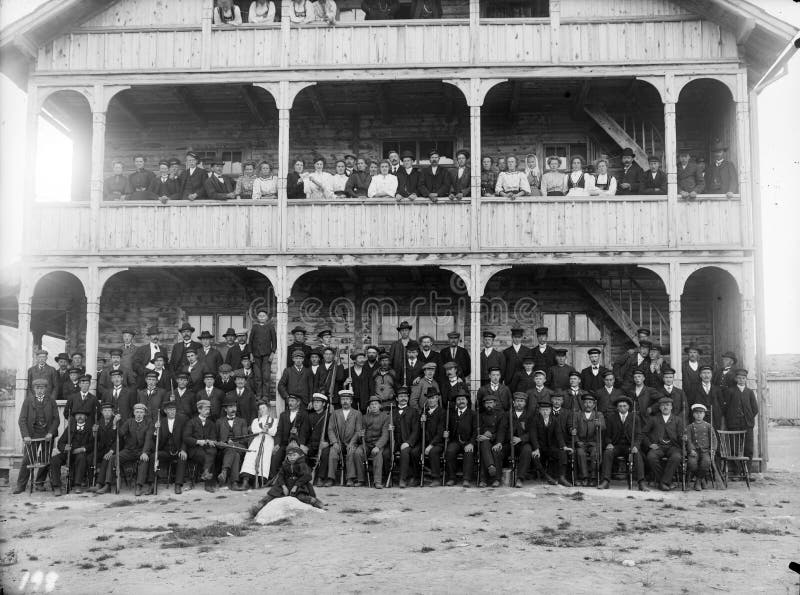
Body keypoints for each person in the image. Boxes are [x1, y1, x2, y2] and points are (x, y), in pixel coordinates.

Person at [13, 379, 60, 494]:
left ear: (46, 389)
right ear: (34, 389)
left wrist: (51, 432)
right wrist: (26, 436)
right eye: (37, 388)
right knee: (27, 460)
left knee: (45, 459)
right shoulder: (28, 401)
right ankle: (21, 485)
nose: (40, 390)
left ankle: (39, 483)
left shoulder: (51, 401)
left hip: (47, 435)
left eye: (42, 388)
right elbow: (22, 420)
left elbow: (56, 419)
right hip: (32, 435)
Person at [250, 445, 324, 517]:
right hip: (286, 484)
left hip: (299, 485)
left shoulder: (302, 465)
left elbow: (306, 476)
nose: (292, 457)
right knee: (272, 494)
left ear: (299, 455)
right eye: (290, 455)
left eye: (294, 455)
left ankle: (315, 502)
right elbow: (280, 476)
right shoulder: (285, 465)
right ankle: (258, 507)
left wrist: (296, 486)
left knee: (301, 496)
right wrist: (283, 486)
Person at [598, 395, 648, 491]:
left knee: (637, 454)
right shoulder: (612, 417)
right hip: (616, 445)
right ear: (617, 407)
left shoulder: (635, 418)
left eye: (624, 406)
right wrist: (609, 443)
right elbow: (607, 435)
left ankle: (641, 482)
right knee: (608, 453)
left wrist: (636, 446)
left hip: (630, 445)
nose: (622, 408)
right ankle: (605, 481)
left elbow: (639, 435)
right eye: (620, 406)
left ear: (628, 407)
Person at [641, 395, 685, 491]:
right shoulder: (654, 419)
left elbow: (681, 435)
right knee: (651, 457)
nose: (665, 407)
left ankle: (663, 482)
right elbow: (643, 434)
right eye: (663, 405)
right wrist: (650, 444)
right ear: (660, 407)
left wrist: (683, 438)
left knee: (677, 457)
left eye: (668, 405)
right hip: (658, 447)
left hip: (673, 446)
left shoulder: (677, 420)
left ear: (671, 407)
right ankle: (665, 482)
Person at [325, 390, 362, 486]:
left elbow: (358, 431)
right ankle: (331, 478)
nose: (345, 401)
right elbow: (330, 429)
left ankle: (350, 478)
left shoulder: (357, 413)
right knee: (333, 452)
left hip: (351, 442)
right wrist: (334, 442)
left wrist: (352, 443)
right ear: (340, 401)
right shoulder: (335, 413)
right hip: (338, 442)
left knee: (351, 452)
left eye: (347, 399)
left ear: (351, 401)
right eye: (343, 399)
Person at [117, 403, 154, 496]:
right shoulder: (129, 422)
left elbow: (148, 438)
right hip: (129, 450)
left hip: (142, 451)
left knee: (144, 460)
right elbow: (121, 434)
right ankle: (107, 483)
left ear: (144, 414)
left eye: (141, 412)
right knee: (115, 458)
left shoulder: (149, 423)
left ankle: (139, 486)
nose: (139, 414)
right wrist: (115, 423)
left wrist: (145, 452)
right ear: (133, 413)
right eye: (137, 412)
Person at [530, 397, 569, 486]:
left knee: (562, 453)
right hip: (539, 447)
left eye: (547, 410)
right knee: (535, 456)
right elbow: (533, 435)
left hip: (550, 447)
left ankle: (562, 477)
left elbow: (559, 434)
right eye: (543, 410)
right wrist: (536, 448)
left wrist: (563, 446)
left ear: (550, 410)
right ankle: (546, 477)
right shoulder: (535, 420)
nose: (545, 412)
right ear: (539, 411)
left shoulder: (554, 420)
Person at [353, 396, 390, 488]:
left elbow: (385, 434)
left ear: (379, 405)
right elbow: (362, 431)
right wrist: (361, 435)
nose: (374, 406)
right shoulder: (364, 417)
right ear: (369, 407)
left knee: (377, 455)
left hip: (378, 444)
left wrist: (378, 446)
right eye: (371, 404)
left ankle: (377, 481)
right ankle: (361, 480)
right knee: (358, 452)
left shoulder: (386, 417)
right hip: (366, 443)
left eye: (376, 404)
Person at [182, 399, 218, 492]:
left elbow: (214, 437)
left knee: (212, 452)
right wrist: (198, 441)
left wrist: (211, 441)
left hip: (208, 448)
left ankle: (206, 474)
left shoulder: (211, 423)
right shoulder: (191, 422)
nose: (208, 411)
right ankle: (208, 484)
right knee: (208, 456)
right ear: (199, 410)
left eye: (208, 409)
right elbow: (186, 437)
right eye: (205, 409)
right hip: (194, 449)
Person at [154, 400, 188, 494]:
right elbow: (158, 441)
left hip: (178, 450)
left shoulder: (182, 420)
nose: (172, 411)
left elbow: (185, 437)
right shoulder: (161, 422)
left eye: (174, 409)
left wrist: (183, 450)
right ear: (165, 411)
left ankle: (178, 484)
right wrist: (156, 432)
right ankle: (152, 483)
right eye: (170, 410)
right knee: (154, 456)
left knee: (182, 458)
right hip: (166, 451)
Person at [240, 400, 278, 486]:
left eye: (264, 408)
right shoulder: (256, 420)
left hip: (268, 441)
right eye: (260, 409)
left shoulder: (275, 420)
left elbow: (274, 431)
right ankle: (245, 481)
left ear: (268, 409)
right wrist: (262, 430)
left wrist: (267, 430)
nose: (262, 410)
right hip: (257, 440)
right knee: (250, 457)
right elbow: (254, 430)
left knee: (264, 458)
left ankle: (258, 481)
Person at [723, 369, 758, 460]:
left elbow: (755, 409)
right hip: (734, 424)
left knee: (748, 448)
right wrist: (732, 417)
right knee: (734, 448)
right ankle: (737, 470)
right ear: (736, 379)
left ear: (746, 379)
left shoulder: (749, 392)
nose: (741, 380)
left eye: (743, 378)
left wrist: (748, 417)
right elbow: (726, 408)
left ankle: (747, 471)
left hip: (747, 424)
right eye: (739, 378)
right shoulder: (730, 391)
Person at [215, 394, 249, 490]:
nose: (233, 408)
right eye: (230, 407)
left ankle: (224, 471)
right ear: (225, 409)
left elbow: (245, 439)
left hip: (240, 447)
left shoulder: (242, 421)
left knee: (233, 449)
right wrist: (224, 443)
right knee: (234, 454)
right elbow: (217, 438)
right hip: (224, 449)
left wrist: (233, 443)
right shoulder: (219, 422)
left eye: (234, 406)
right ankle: (234, 483)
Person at [390, 388, 421, 487]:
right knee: (386, 453)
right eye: (401, 396)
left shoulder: (413, 412)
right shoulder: (392, 412)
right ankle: (389, 477)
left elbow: (416, 430)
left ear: (408, 398)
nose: (403, 398)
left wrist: (408, 442)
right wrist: (389, 428)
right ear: (397, 398)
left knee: (405, 452)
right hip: (395, 441)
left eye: (405, 396)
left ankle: (402, 479)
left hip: (408, 441)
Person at [573, 394, 605, 487]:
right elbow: (573, 429)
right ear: (583, 404)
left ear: (594, 405)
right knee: (580, 453)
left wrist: (599, 424)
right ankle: (584, 477)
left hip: (594, 442)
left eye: (590, 402)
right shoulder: (577, 414)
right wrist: (577, 441)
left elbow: (603, 427)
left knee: (595, 453)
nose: (588, 404)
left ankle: (593, 477)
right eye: (586, 402)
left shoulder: (598, 414)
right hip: (581, 442)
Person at [249, 307, 277, 401]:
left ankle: (265, 396)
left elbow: (274, 341)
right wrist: (251, 354)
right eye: (260, 316)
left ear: (266, 317)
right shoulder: (255, 327)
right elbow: (250, 341)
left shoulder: (270, 327)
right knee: (258, 376)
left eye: (263, 316)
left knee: (266, 376)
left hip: (267, 355)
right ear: (257, 317)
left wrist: (272, 353)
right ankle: (258, 394)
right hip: (256, 355)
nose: (261, 317)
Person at [507, 391, 534, 488]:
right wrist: (510, 438)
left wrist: (521, 439)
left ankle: (520, 478)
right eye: (517, 401)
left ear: (525, 403)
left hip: (522, 443)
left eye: (522, 401)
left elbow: (532, 432)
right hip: (509, 442)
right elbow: (502, 429)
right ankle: (497, 478)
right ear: (514, 402)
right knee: (498, 450)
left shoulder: (530, 415)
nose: (519, 403)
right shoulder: (508, 414)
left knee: (527, 450)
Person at [90, 402, 118, 495]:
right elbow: (96, 440)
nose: (107, 413)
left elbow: (119, 439)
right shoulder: (99, 422)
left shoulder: (117, 421)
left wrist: (111, 451)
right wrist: (94, 433)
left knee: (106, 458)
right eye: (105, 411)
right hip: (102, 449)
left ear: (112, 412)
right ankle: (90, 481)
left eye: (109, 411)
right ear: (102, 412)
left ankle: (101, 484)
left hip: (114, 449)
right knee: (89, 457)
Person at [686, 403, 716, 490]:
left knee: (706, 462)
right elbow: (688, 440)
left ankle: (698, 481)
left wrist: (713, 449)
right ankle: (701, 479)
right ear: (693, 414)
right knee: (692, 463)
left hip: (705, 451)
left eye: (701, 413)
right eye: (697, 413)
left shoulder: (708, 426)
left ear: (704, 414)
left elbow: (713, 439)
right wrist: (691, 449)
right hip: (694, 451)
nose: (699, 415)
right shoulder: (690, 427)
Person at [419, 388, 444, 486]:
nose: (431, 400)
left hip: (438, 443)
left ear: (437, 398)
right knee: (414, 451)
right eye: (429, 398)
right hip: (425, 441)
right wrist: (422, 422)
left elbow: (440, 433)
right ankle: (416, 477)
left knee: (433, 452)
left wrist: (430, 446)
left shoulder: (442, 412)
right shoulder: (424, 411)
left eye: (433, 398)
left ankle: (436, 478)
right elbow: (421, 430)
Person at [306, 393, 331, 484]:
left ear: (324, 404)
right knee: (303, 453)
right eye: (314, 402)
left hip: (324, 444)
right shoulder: (309, 416)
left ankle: (320, 477)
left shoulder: (329, 416)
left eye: (318, 402)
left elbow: (332, 432)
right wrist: (303, 445)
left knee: (325, 454)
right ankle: (307, 476)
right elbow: (305, 432)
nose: (315, 404)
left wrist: (328, 442)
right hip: (312, 444)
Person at [688, 365, 722, 430]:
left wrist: (717, 414)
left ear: (711, 375)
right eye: (704, 373)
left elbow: (721, 405)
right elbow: (690, 403)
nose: (706, 375)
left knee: (714, 437)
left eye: (708, 373)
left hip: (714, 419)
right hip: (699, 418)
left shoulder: (717, 389)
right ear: (700, 375)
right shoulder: (694, 388)